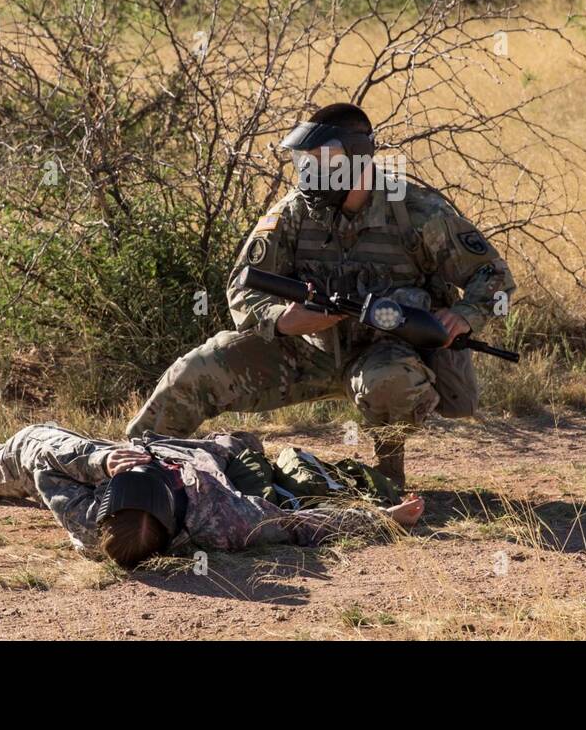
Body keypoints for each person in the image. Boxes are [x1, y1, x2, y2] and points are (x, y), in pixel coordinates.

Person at [123, 103, 515, 486]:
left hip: (386, 353)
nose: (308, 173)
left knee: (389, 384)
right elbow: (242, 285)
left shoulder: (417, 212)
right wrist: (282, 320)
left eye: (322, 161)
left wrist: (463, 315)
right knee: (195, 371)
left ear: (358, 159)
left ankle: (387, 474)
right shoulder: (294, 212)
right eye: (303, 161)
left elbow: (492, 274)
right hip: (304, 349)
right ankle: (133, 466)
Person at [0, 417, 424, 569]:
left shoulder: (85, 521)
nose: (145, 470)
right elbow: (302, 526)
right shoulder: (228, 518)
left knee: (32, 444)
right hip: (201, 458)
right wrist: (385, 518)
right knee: (244, 445)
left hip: (111, 467)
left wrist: (97, 463)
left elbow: (44, 455)